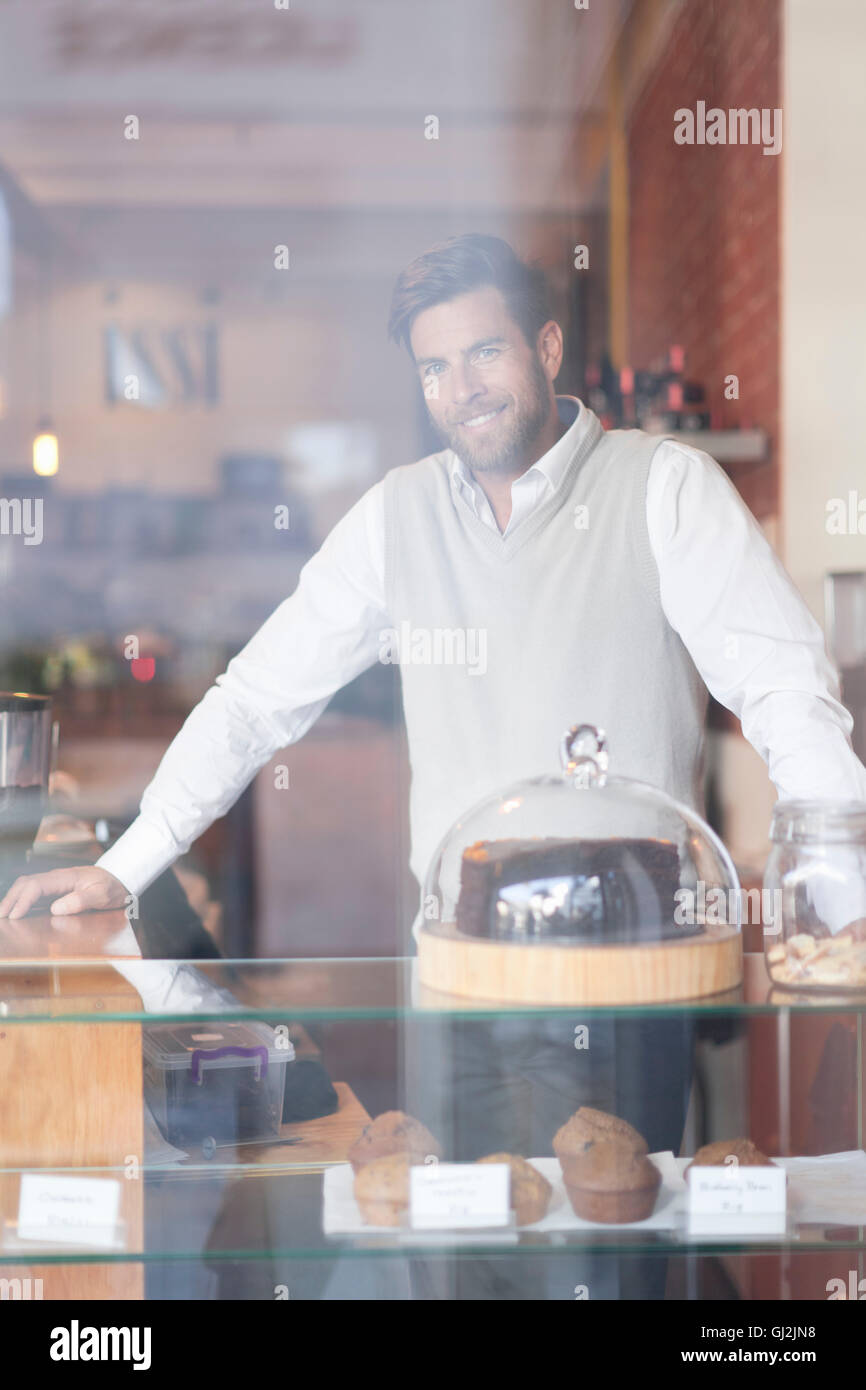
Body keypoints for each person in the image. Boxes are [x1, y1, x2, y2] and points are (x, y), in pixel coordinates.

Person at [2, 234, 864, 1295]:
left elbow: (784, 691)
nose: (461, 390)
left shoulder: (661, 488)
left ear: (545, 348)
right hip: (449, 980)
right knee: (458, 1267)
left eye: (483, 354)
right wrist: (124, 868)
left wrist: (834, 897)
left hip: (617, 986)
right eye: (432, 368)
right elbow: (254, 698)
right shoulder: (397, 515)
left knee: (599, 1270)